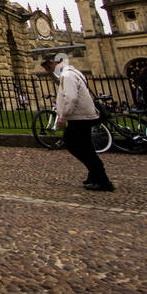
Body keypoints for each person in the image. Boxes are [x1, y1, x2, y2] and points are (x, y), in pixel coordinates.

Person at [42, 52, 114, 191]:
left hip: (79, 117)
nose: (48, 66)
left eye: (49, 63)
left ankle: (102, 179)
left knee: (72, 144)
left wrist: (63, 116)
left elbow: (72, 98)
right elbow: (63, 85)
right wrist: (51, 74)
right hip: (84, 115)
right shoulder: (72, 73)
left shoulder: (68, 75)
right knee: (86, 147)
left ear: (56, 62)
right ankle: (95, 175)